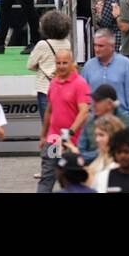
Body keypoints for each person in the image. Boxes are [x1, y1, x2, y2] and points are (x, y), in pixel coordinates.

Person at [38, 48, 92, 193]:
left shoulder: (80, 83)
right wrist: (43, 136)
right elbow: (49, 110)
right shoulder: (54, 82)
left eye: (65, 63)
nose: (61, 66)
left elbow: (84, 111)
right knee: (48, 175)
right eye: (58, 63)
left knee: (74, 178)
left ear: (72, 63)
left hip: (73, 142)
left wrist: (70, 132)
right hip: (54, 140)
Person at [80, 29, 129, 131]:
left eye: (101, 46)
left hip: (120, 122)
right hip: (96, 122)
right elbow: (83, 97)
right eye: (95, 45)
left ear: (112, 46)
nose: (97, 49)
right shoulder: (88, 66)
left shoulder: (125, 64)